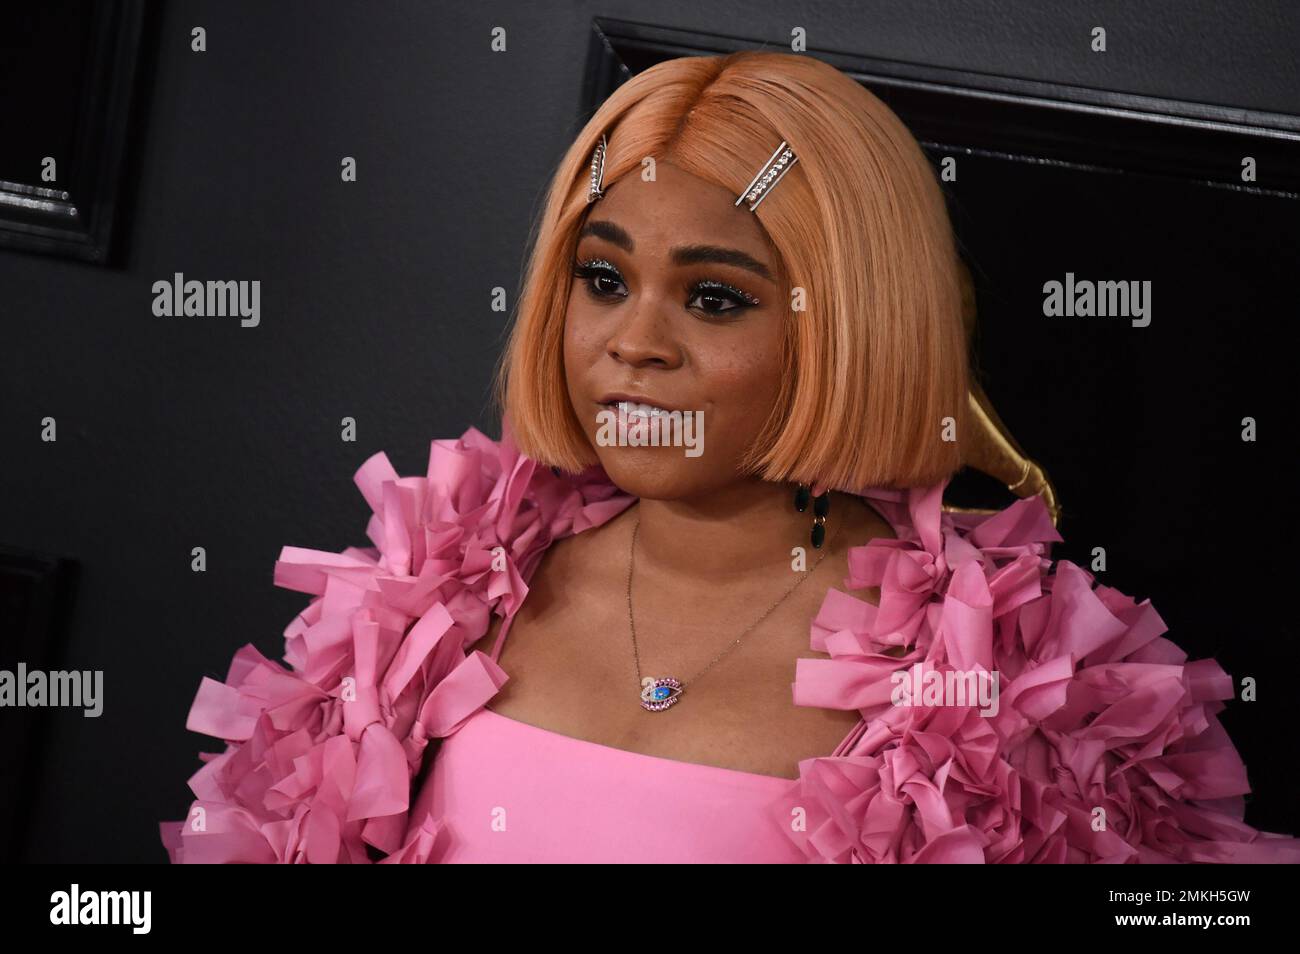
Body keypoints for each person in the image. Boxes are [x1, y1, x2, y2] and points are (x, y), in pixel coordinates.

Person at [159, 50, 1299, 863]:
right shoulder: (429, 592)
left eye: (713, 298)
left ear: (848, 324)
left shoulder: (1016, 675)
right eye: (601, 281)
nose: (632, 344)